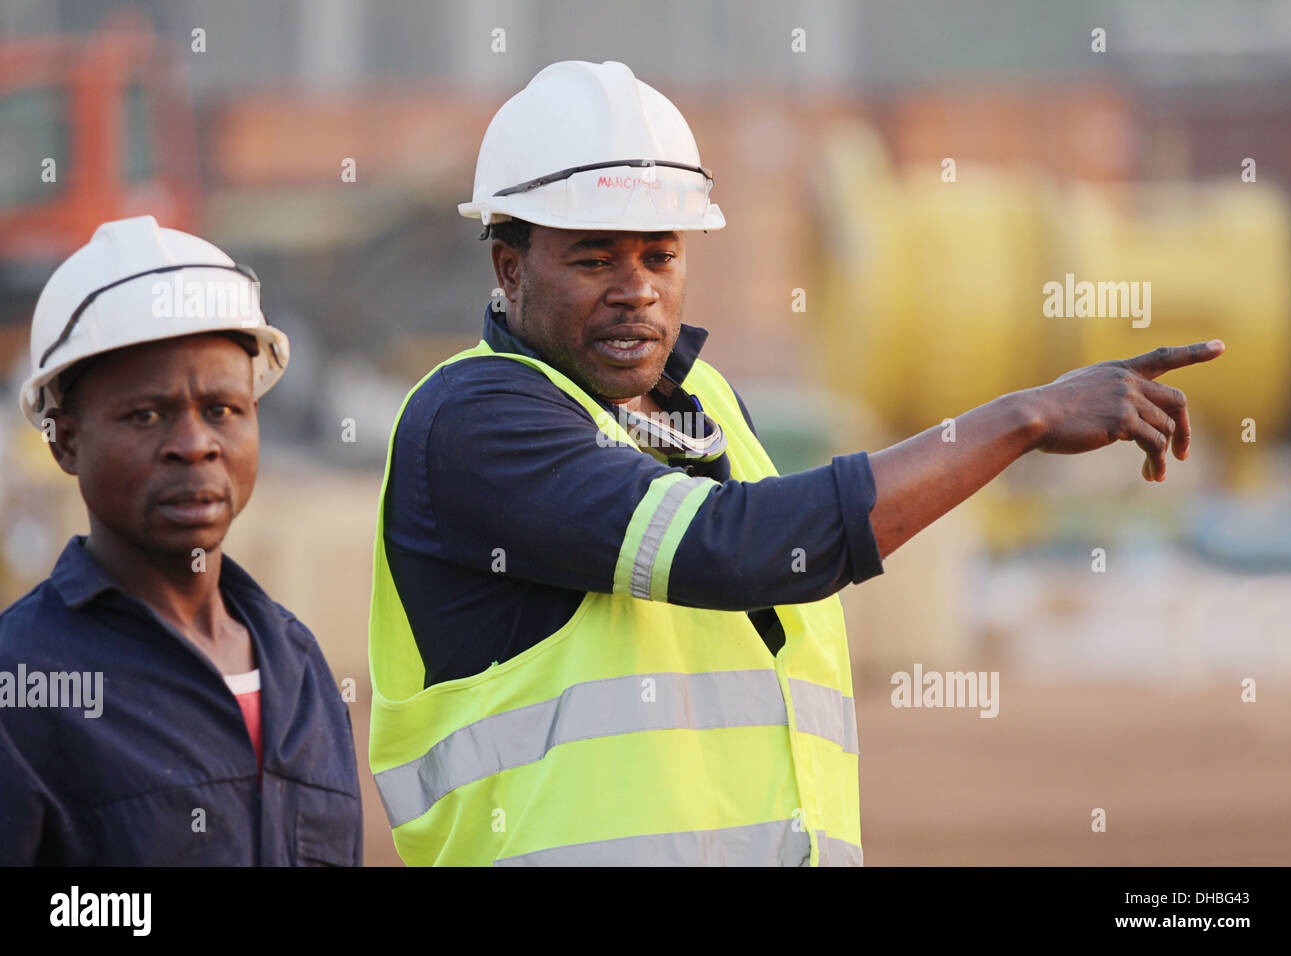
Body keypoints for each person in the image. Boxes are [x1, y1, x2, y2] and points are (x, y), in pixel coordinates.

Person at [367, 60, 1225, 866]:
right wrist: (1024, 418)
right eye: (594, 258)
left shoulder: (704, 401)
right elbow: (736, 547)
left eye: (661, 254)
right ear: (510, 268)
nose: (637, 289)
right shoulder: (475, 417)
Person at [0, 216, 363, 865]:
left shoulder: (297, 664)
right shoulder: (24, 682)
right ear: (65, 441)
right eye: (146, 415)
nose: (195, 445)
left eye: (222, 410)